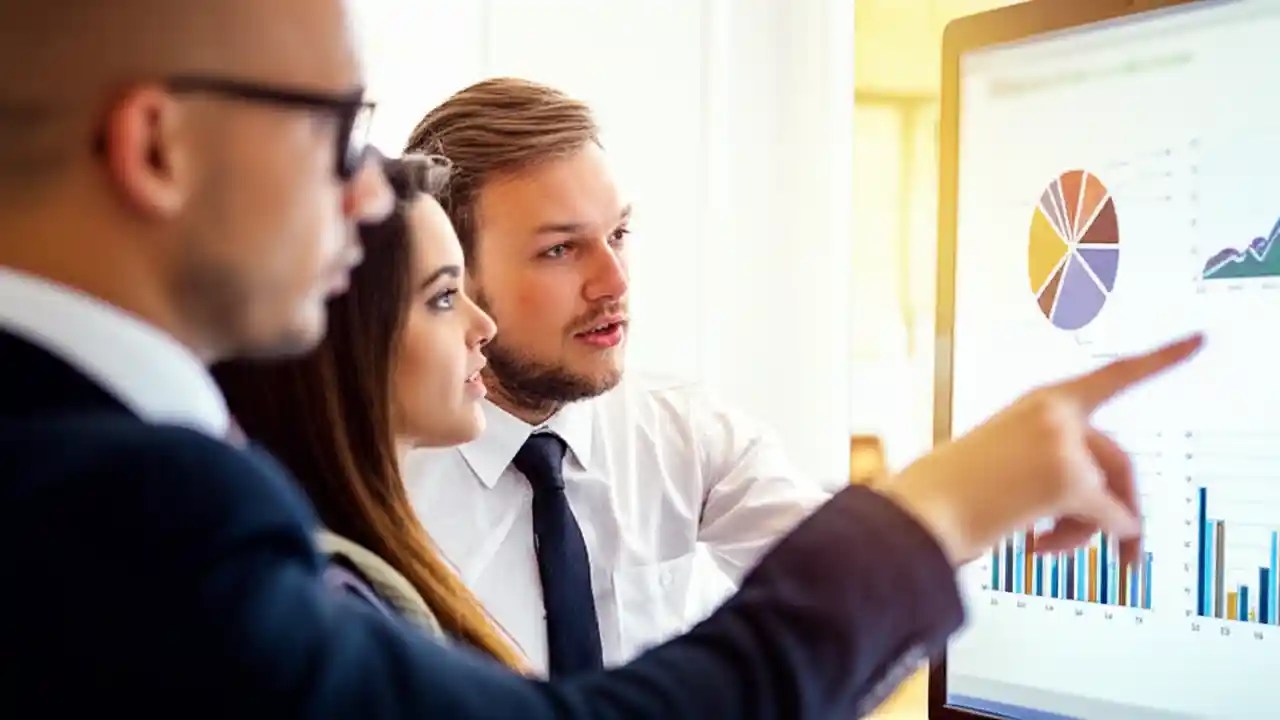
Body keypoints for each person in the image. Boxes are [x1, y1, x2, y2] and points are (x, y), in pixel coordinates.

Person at [0, 0, 1201, 716]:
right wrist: (942, 504)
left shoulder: (676, 431)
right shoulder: (138, 512)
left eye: (618, 237)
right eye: (333, 129)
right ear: (158, 148)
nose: (366, 194)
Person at [402, 77, 831, 675]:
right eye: (560, 250)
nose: (615, 283)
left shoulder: (686, 432)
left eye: (618, 235)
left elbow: (849, 587)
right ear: (455, 274)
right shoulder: (377, 484)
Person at [212, 154, 527, 670]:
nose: (485, 326)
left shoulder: (365, 571)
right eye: (444, 297)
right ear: (348, 343)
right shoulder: (329, 603)